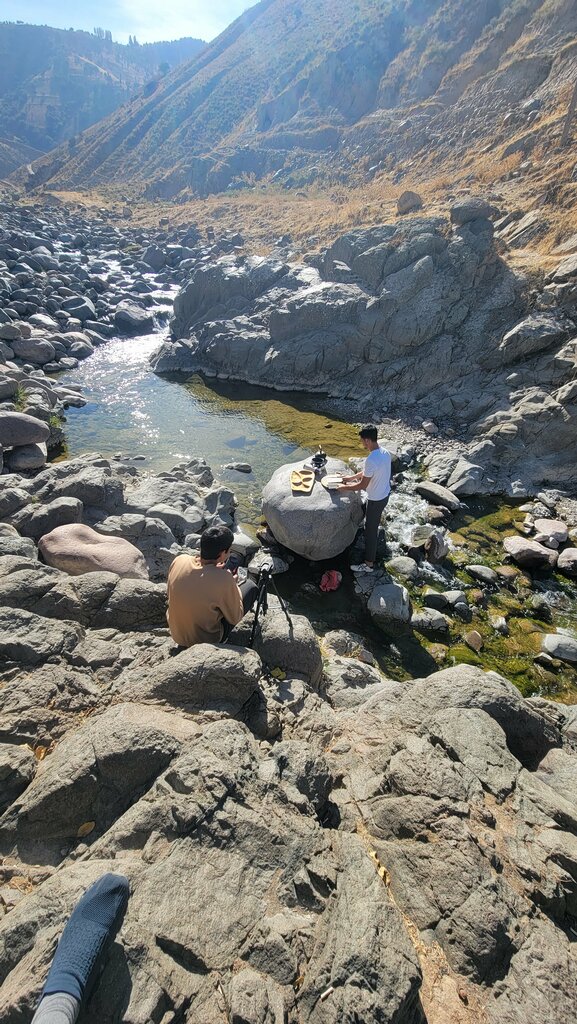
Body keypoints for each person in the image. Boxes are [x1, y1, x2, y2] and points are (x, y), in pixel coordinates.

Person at [167, 525, 258, 646]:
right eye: (229, 550)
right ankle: (223, 640)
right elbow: (235, 617)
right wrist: (233, 585)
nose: (229, 553)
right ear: (222, 554)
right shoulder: (224, 579)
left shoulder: (179, 560)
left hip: (177, 635)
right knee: (251, 587)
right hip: (205, 641)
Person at [338, 424, 391, 573]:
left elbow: (362, 485)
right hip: (385, 494)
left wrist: (344, 488)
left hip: (376, 499)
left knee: (370, 531)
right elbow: (367, 472)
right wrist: (350, 478)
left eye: (362, 441)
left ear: (367, 440)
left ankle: (368, 564)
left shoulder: (372, 458)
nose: (362, 444)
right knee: (368, 514)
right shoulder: (384, 452)